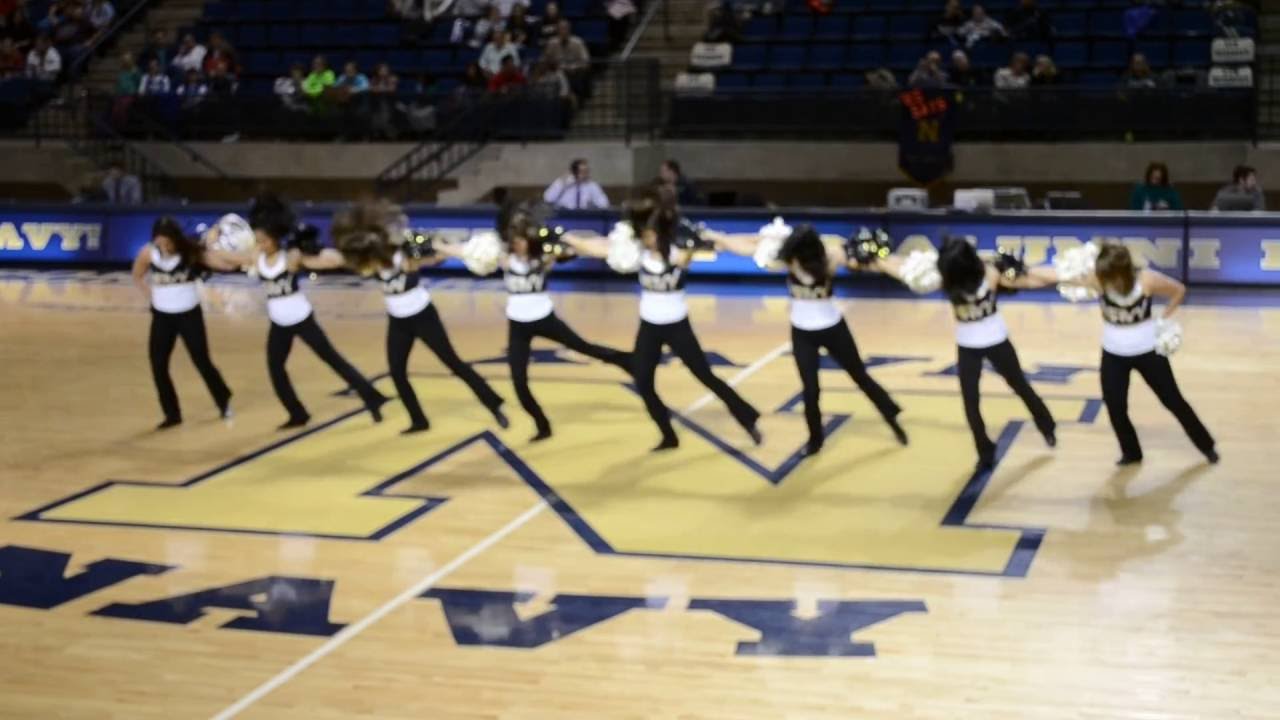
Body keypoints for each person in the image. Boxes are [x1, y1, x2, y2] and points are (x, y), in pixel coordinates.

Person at [564, 187, 764, 450]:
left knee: (704, 375)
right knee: (644, 383)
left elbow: (732, 243)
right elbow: (597, 247)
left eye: (650, 235)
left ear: (661, 234)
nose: (646, 240)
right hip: (650, 328)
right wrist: (566, 237)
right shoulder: (637, 254)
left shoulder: (679, 254)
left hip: (678, 326)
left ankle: (746, 417)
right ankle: (668, 435)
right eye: (644, 235)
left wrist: (714, 235)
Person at [439, 201, 633, 441]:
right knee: (519, 384)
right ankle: (542, 424)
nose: (517, 244)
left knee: (584, 347)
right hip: (518, 326)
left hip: (545, 318)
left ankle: (627, 361)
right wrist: (437, 245)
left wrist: (566, 238)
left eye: (521, 238)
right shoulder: (503, 256)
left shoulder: (545, 255)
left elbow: (587, 248)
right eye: (514, 239)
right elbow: (465, 251)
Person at [712, 224, 907, 455]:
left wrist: (899, 267)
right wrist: (719, 237)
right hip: (802, 333)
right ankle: (815, 440)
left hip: (834, 329)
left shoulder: (831, 257)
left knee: (860, 376)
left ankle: (891, 417)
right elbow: (748, 248)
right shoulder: (788, 259)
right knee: (810, 389)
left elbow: (873, 262)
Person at [326, 199, 509, 434]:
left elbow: (437, 253)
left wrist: (461, 251)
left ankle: (494, 404)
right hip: (398, 321)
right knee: (397, 372)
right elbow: (336, 258)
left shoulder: (404, 256)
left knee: (453, 363)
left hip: (423, 316)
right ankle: (418, 420)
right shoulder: (369, 263)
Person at [873, 237, 1057, 469]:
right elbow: (904, 270)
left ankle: (1047, 424)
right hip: (967, 346)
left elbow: (1029, 279)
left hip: (997, 341)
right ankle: (984, 450)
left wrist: (1060, 276)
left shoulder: (990, 273)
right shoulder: (948, 280)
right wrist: (878, 260)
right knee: (971, 402)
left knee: (1019, 385)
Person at [210, 194, 389, 429]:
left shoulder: (290, 258)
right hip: (279, 323)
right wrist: (212, 241)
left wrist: (354, 257)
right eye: (258, 240)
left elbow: (327, 260)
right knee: (275, 369)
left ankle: (371, 396)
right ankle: (297, 414)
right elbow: (225, 257)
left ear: (275, 238)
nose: (260, 244)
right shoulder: (256, 257)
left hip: (302, 318)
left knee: (332, 359)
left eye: (264, 240)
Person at [1071, 244, 1217, 465]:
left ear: (1122, 271)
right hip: (1113, 354)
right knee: (1115, 407)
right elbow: (1060, 277)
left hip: (1148, 352)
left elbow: (1178, 290)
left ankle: (1207, 445)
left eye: (1109, 273)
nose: (1105, 278)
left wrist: (1164, 319)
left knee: (1173, 400)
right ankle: (1131, 453)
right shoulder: (1098, 279)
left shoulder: (1146, 280)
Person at [130, 216, 234, 429]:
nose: (164, 246)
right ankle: (172, 414)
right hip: (162, 317)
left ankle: (223, 399)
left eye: (167, 242)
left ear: (176, 239)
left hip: (189, 315)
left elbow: (223, 265)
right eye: (160, 242)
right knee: (158, 365)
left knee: (201, 361)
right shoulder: (148, 253)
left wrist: (234, 257)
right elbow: (137, 275)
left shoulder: (190, 252)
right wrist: (151, 297)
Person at [543, 158, 609, 209]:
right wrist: (562, 185)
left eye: (586, 171)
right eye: (582, 171)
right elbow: (548, 199)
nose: (585, 174)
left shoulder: (592, 185)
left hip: (584, 216)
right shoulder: (562, 182)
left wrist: (593, 205)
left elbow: (604, 204)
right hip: (564, 216)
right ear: (573, 171)